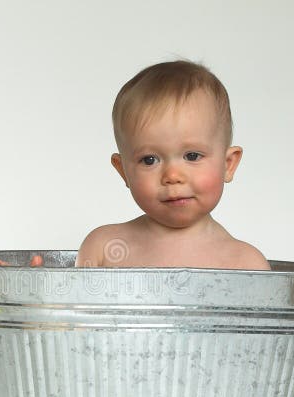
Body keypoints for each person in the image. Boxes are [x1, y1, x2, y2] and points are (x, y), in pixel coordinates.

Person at [75, 60, 270, 270]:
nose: (172, 175)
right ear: (123, 172)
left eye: (192, 156)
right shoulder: (102, 249)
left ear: (228, 164)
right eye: (149, 160)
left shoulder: (246, 264)